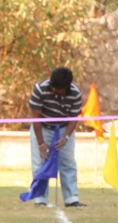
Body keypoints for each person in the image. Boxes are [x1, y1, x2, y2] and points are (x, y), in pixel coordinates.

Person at [27, 66, 86, 207]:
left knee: (68, 163)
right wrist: (41, 143)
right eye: (53, 88)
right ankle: (40, 198)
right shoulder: (40, 89)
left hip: (65, 128)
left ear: (66, 88)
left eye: (58, 89)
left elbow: (74, 118)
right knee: (40, 163)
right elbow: (36, 117)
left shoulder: (76, 93)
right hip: (42, 128)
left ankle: (71, 198)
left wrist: (65, 137)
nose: (55, 91)